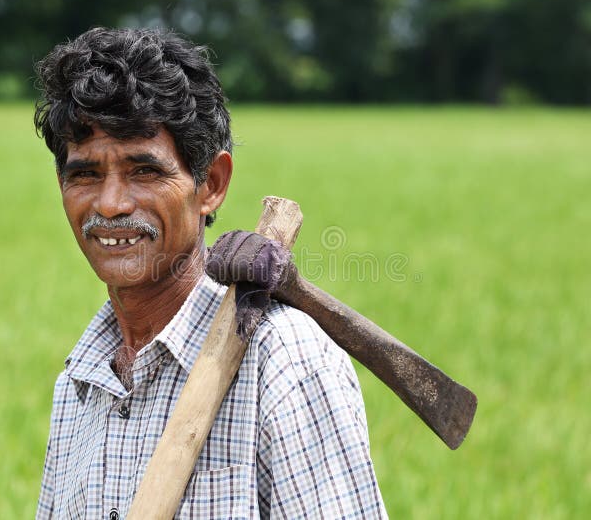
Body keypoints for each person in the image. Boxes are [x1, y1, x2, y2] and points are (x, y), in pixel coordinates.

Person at [33, 27, 387, 519]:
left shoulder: (284, 363)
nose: (110, 204)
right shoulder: (82, 382)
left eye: (144, 171)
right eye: (86, 174)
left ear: (212, 184)